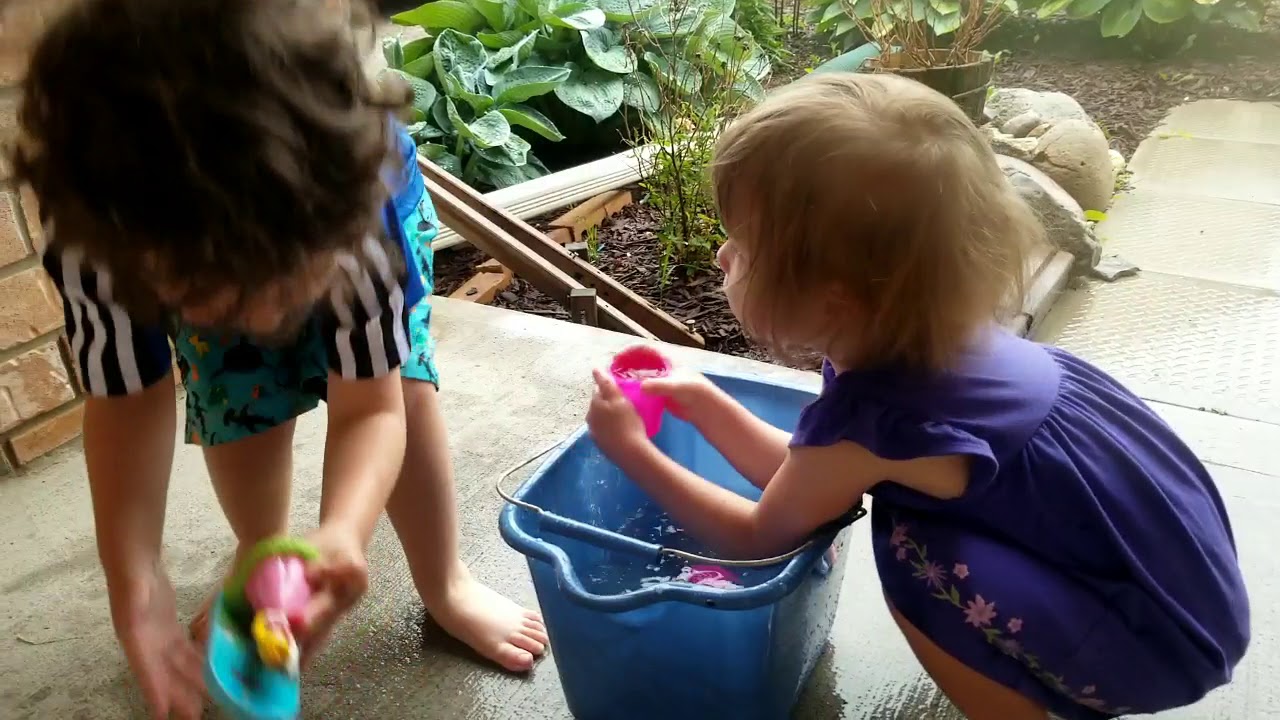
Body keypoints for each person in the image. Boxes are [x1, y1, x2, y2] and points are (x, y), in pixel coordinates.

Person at [585, 73, 1249, 720]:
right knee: (914, 523)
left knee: (909, 547)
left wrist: (631, 453)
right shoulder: (936, 344)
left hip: (1149, 646)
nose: (723, 256)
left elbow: (761, 536)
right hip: (1182, 591)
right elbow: (806, 476)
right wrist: (703, 402)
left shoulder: (877, 418)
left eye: (743, 246)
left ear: (832, 298)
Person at [13, 0, 546, 717]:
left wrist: (344, 534)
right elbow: (127, 397)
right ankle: (264, 557)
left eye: (274, 293)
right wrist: (134, 579)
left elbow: (371, 406)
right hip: (250, 247)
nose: (264, 323)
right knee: (236, 406)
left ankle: (444, 581)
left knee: (408, 390)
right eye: (223, 300)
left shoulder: (361, 212)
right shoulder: (95, 239)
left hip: (339, 244)